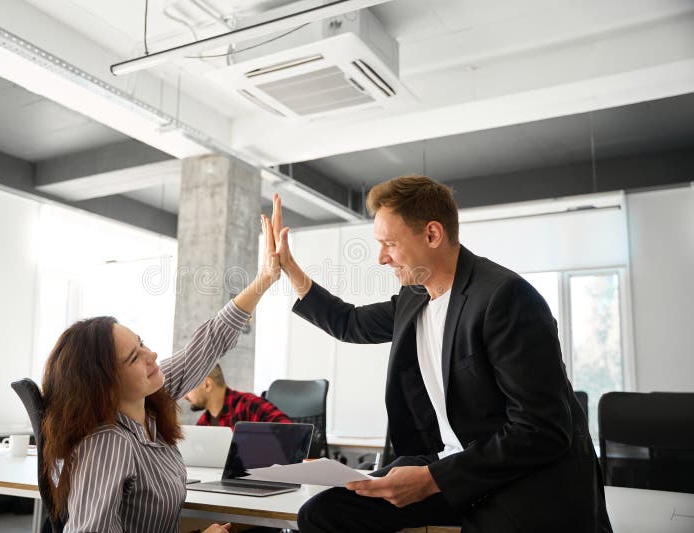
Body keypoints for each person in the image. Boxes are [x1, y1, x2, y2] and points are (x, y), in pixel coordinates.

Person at [269, 179, 611, 533]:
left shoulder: (504, 297)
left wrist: (433, 478)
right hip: (451, 467)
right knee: (323, 513)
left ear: (432, 234)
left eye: (389, 244)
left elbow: (541, 430)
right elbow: (350, 322)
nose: (381, 258)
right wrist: (289, 267)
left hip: (520, 479)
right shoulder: (415, 298)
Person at [40, 214, 281, 533]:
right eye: (134, 357)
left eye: (141, 344)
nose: (151, 355)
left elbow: (209, 342)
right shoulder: (108, 443)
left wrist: (265, 278)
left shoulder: (148, 400)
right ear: (106, 386)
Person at [184, 363, 291, 428]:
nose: (184, 397)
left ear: (207, 385)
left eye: (187, 389)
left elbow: (289, 431)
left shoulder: (249, 405)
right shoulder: (203, 423)